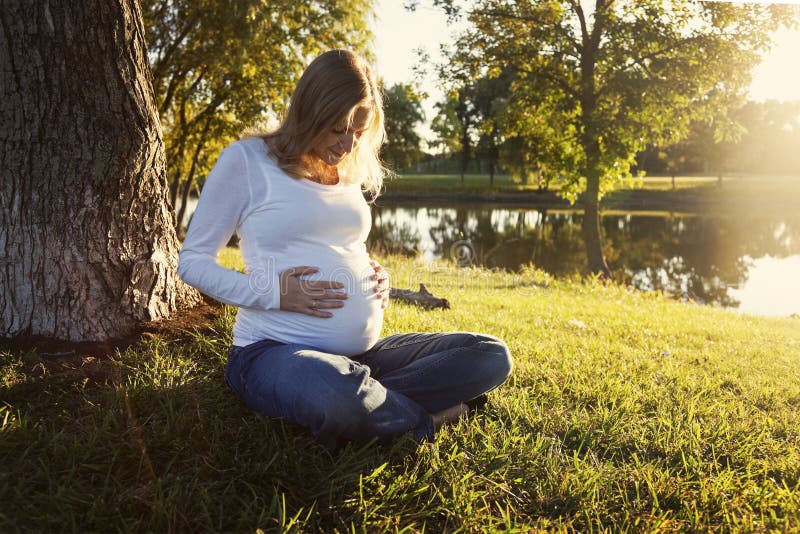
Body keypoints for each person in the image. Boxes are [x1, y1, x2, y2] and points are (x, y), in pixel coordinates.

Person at [177, 49, 512, 447]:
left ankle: (374, 400)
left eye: (359, 132)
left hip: (361, 356)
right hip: (274, 351)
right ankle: (420, 416)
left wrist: (373, 273)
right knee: (338, 397)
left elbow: (339, 242)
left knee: (489, 354)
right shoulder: (247, 160)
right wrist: (274, 292)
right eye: (338, 129)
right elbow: (192, 262)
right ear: (310, 112)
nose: (348, 144)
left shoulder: (346, 170)